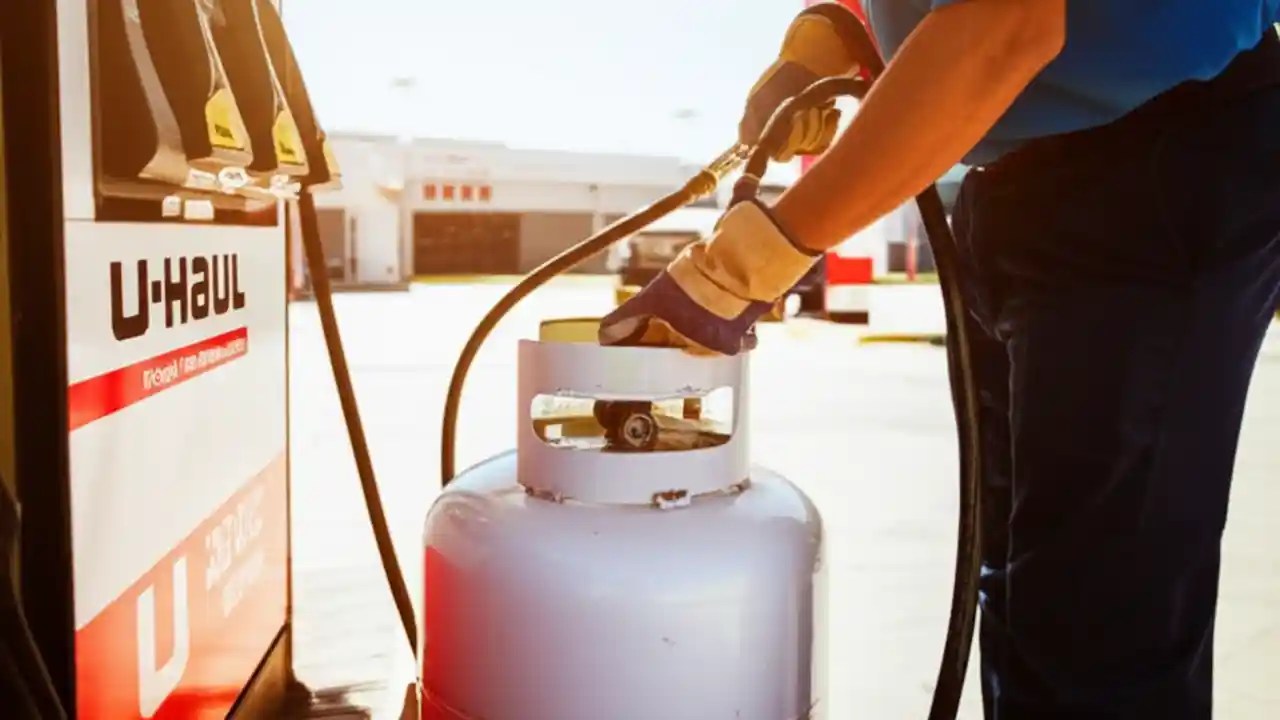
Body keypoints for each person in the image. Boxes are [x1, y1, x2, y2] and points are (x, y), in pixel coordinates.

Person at [600, 1, 1280, 718]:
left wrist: (742, 267)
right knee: (1025, 596)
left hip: (1157, 164)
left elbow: (1006, 26)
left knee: (1097, 630)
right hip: (1018, 176)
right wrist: (838, 34)